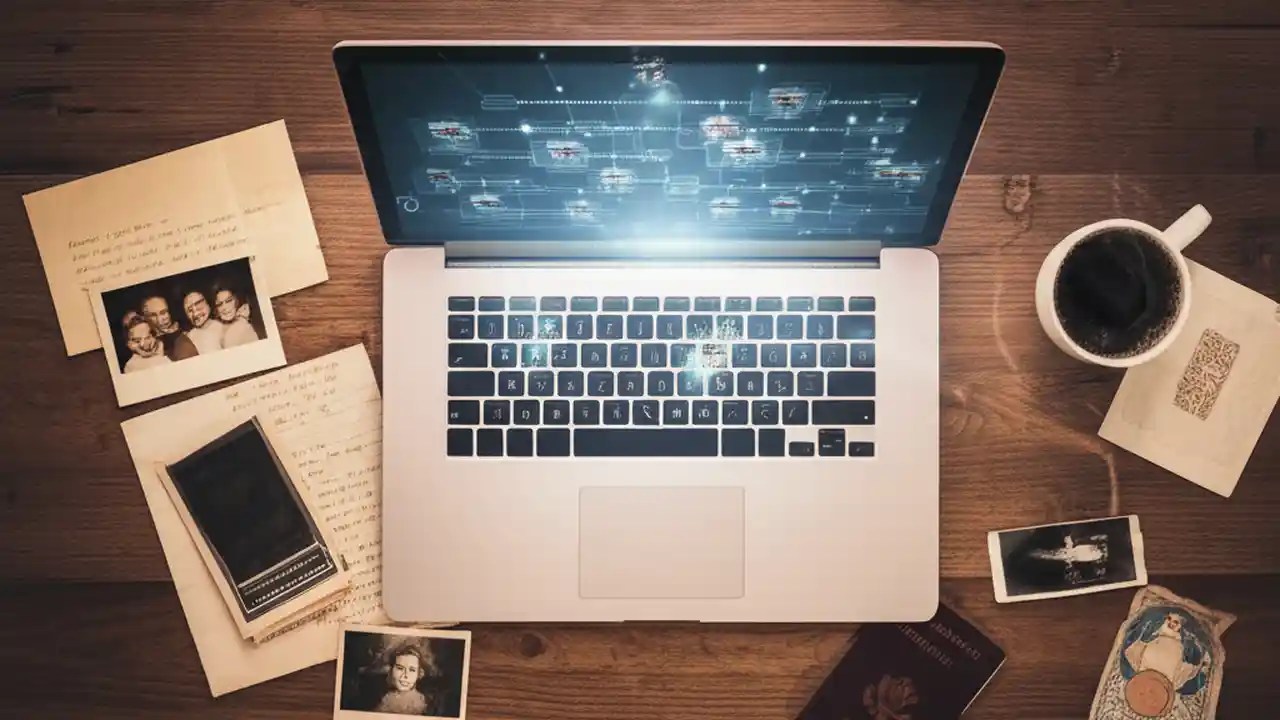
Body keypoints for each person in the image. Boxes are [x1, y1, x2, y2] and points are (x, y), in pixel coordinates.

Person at [373, 645, 433, 715]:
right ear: (391, 670)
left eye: (412, 670)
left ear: (419, 674)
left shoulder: (422, 702)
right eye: (400, 668)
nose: (405, 675)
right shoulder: (386, 699)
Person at [140, 294, 197, 361]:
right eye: (153, 315)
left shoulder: (184, 340)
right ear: (145, 318)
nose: (159, 320)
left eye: (163, 312)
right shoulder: (144, 343)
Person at [212, 282, 261, 347]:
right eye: (219, 304)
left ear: (237, 301)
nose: (224, 307)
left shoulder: (245, 328)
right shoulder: (215, 330)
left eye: (229, 301)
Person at [181, 288, 225, 355]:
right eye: (190, 310)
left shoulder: (222, 328)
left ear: (208, 304)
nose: (195, 313)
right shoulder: (189, 337)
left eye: (198, 305)